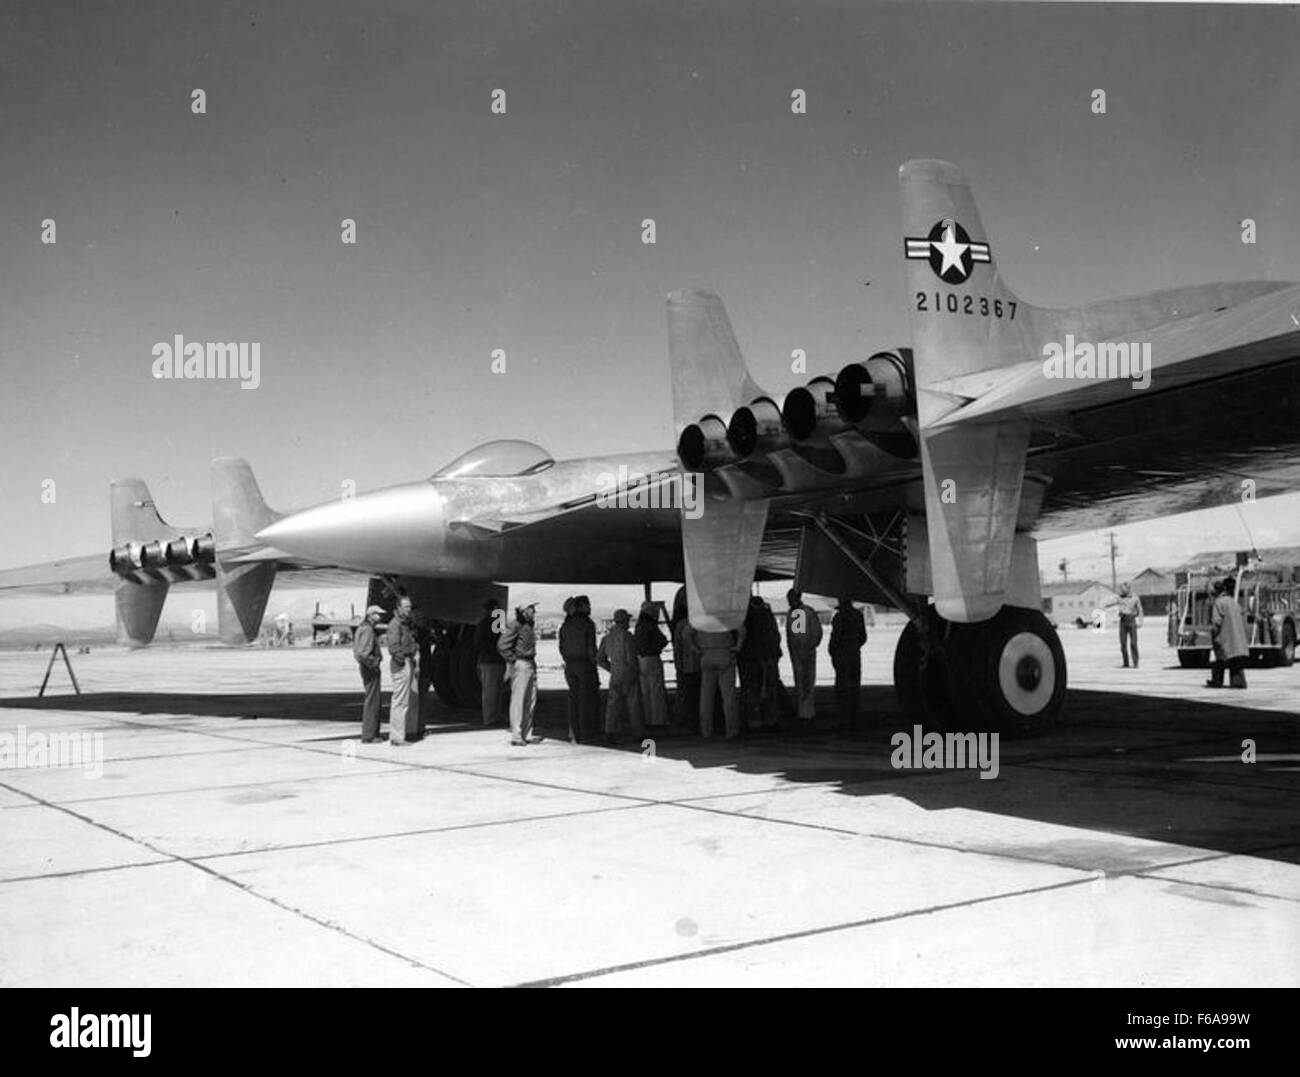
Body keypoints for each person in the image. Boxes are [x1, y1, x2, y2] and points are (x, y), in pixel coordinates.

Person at [498, 595, 540, 745]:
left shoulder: (529, 625)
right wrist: (513, 660)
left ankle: (527, 734)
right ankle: (516, 735)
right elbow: (502, 645)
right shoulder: (516, 625)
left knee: (531, 699)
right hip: (521, 664)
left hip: (530, 664)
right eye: (532, 609)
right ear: (524, 611)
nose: (534, 611)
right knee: (518, 700)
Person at [598, 608, 642, 744]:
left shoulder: (607, 638)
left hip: (615, 673)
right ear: (624, 621)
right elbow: (631, 657)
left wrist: (611, 669)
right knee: (633, 703)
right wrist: (635, 671)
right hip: (628, 671)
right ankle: (637, 733)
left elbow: (600, 659)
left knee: (613, 704)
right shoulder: (627, 637)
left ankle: (610, 732)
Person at [559, 595, 599, 743]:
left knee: (573, 700)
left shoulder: (565, 625)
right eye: (587, 605)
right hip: (585, 665)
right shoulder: (587, 624)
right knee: (586, 700)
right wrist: (593, 663)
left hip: (570, 665)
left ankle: (574, 733)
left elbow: (561, 647)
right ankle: (586, 733)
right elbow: (591, 648)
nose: (590, 608)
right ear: (581, 607)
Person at [697, 625, 744, 740]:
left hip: (706, 653)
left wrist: (695, 648)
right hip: (725, 651)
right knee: (728, 696)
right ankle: (731, 730)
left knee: (706, 697)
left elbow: (686, 633)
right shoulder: (725, 615)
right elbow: (742, 631)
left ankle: (706, 730)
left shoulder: (701, 618)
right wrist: (738, 646)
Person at [829, 596, 867, 729]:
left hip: (842, 657)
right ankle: (854, 717)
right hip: (855, 655)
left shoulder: (839, 618)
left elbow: (836, 637)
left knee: (842, 689)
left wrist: (833, 651)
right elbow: (863, 637)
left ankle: (844, 720)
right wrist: (854, 646)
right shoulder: (858, 615)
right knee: (854, 687)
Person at [785, 589, 823, 722]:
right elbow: (818, 632)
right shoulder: (809, 610)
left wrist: (800, 653)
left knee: (803, 683)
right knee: (809, 682)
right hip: (809, 650)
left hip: (801, 653)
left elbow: (799, 638)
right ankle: (807, 710)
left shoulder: (798, 613)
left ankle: (804, 712)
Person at [386, 595, 419, 746]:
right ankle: (397, 737)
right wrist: (402, 661)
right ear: (399, 608)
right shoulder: (395, 624)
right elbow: (393, 646)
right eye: (406, 607)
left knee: (405, 701)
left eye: (409, 607)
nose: (408, 610)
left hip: (407, 661)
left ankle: (404, 733)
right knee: (400, 701)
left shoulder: (405, 624)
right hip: (401, 663)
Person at [633, 600, 671, 728]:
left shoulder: (639, 625)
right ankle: (658, 721)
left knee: (645, 692)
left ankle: (647, 719)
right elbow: (663, 640)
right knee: (656, 691)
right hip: (652, 658)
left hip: (641, 659)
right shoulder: (650, 624)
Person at [1208, 577, 1249, 689]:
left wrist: (1213, 633)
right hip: (1236, 639)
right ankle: (1238, 683)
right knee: (1235, 663)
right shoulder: (1233, 603)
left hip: (1225, 639)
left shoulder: (1218, 603)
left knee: (1219, 660)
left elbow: (1216, 622)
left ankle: (1217, 681)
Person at [353, 605, 386, 742]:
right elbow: (362, 653)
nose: (380, 616)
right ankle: (369, 735)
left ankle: (372, 734)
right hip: (370, 669)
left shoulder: (363, 628)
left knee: (373, 700)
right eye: (378, 614)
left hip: (367, 667)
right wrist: (374, 663)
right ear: (371, 615)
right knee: (373, 701)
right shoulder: (367, 630)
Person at [474, 598, 507, 726]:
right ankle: (489, 718)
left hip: (495, 660)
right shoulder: (485, 624)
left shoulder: (495, 623)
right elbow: (479, 642)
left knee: (497, 691)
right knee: (490, 691)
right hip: (489, 661)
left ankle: (496, 716)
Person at [673, 610, 701, 733]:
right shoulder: (703, 622)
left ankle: (689, 721)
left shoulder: (681, 624)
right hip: (699, 665)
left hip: (686, 665)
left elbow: (677, 646)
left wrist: (678, 663)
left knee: (688, 695)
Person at [1112, 582, 1143, 668]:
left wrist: (1140, 622)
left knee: (1133, 643)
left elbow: (1140, 610)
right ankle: (1126, 662)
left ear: (1128, 589)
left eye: (1123, 589)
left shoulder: (1135, 598)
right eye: (1121, 589)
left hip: (1131, 621)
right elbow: (1111, 603)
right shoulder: (1119, 598)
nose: (1121, 591)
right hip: (1123, 621)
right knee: (1123, 644)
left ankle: (1135, 662)